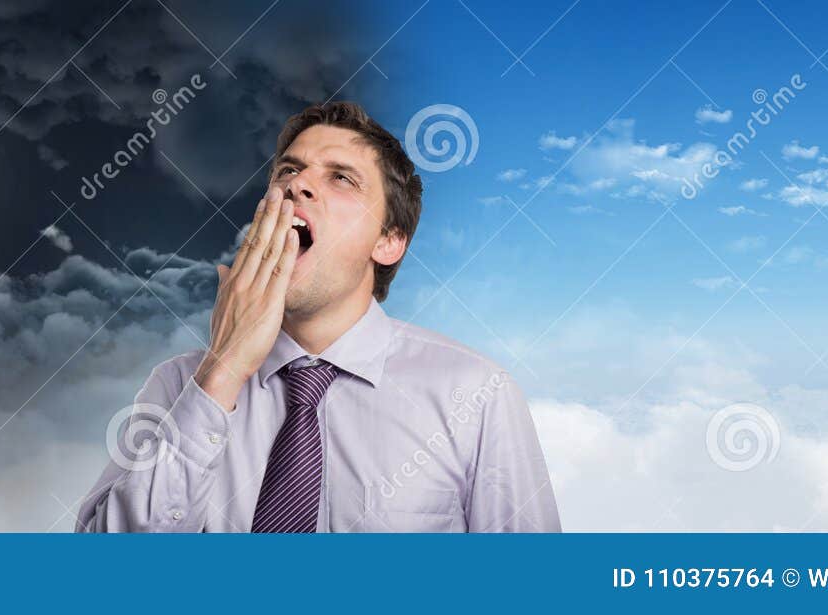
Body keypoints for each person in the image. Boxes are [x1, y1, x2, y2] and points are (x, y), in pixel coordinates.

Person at [77, 102, 560, 532]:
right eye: (287, 171)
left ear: (388, 241)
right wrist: (222, 370)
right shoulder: (180, 385)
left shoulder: (474, 395)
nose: (297, 184)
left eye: (341, 178)